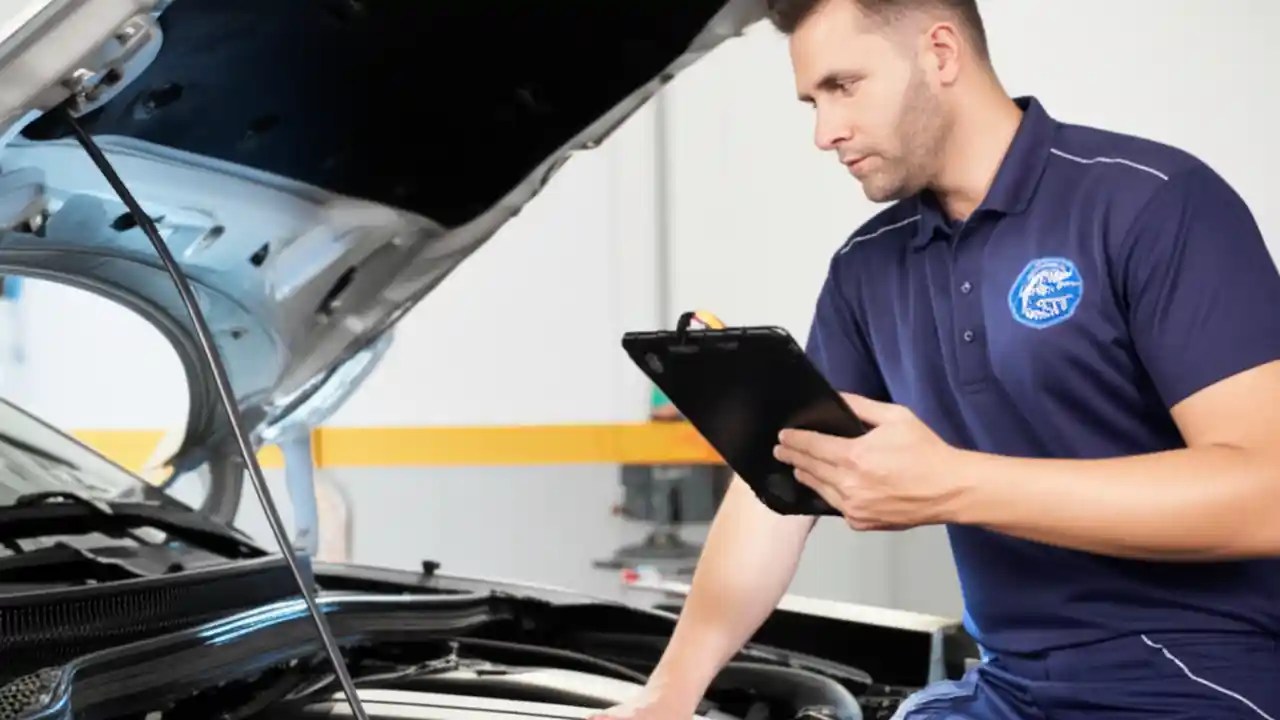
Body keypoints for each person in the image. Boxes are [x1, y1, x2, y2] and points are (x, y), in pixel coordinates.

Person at [592, 0, 1280, 718]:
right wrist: (669, 694)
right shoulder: (867, 269)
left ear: (941, 53)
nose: (826, 133)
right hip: (1007, 687)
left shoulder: (1150, 204)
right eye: (812, 102)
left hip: (1199, 682)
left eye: (844, 86)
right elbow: (779, 489)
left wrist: (955, 485)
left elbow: (1268, 494)